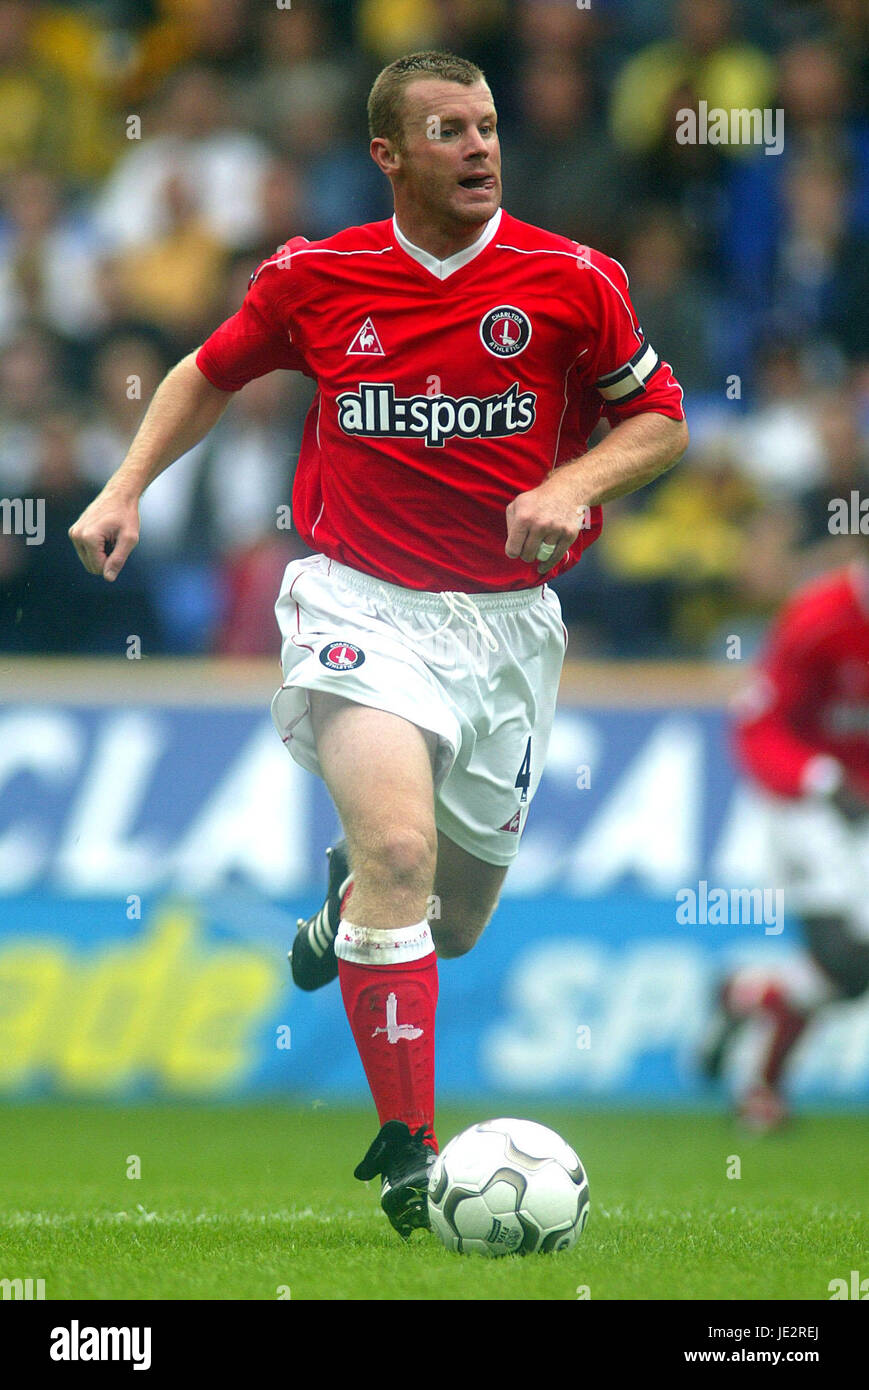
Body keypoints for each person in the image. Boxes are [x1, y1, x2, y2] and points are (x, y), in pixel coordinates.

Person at [69, 51, 688, 1237]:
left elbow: (656, 415)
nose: (477, 146)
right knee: (399, 855)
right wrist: (125, 486)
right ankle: (412, 1151)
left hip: (506, 628)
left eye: (488, 125)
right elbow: (206, 373)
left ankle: (336, 913)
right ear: (386, 154)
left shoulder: (571, 280)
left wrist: (572, 482)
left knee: (447, 920)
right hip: (358, 604)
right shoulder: (316, 275)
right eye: (447, 129)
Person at [703, 556, 869, 1131]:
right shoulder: (819, 616)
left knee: (851, 973)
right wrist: (819, 777)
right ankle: (760, 1089)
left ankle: (749, 993)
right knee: (844, 959)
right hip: (810, 808)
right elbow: (758, 724)